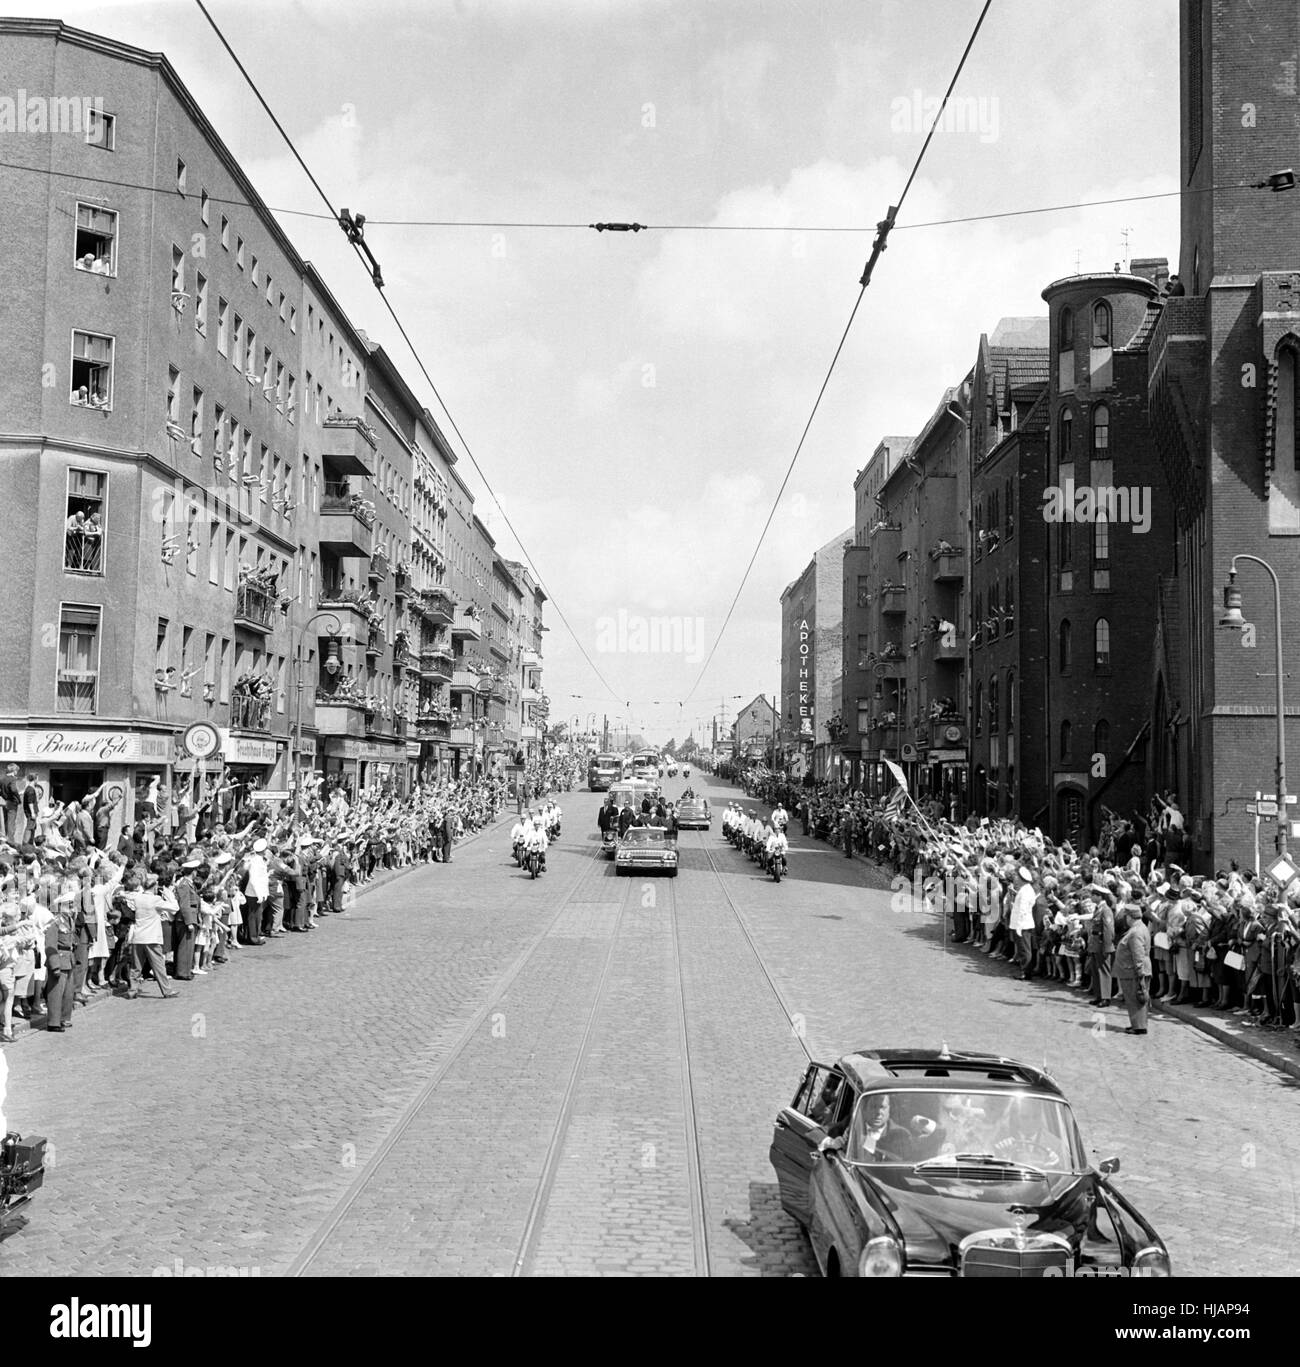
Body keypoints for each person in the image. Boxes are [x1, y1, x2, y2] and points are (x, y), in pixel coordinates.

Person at [1114, 906, 1152, 1035]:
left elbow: (1138, 954)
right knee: (1135, 998)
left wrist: (1140, 971)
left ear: (1129, 917)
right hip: (1133, 970)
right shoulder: (1139, 928)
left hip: (1133, 971)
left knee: (1136, 998)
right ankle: (1138, 1024)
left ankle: (1139, 1026)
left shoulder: (1136, 932)